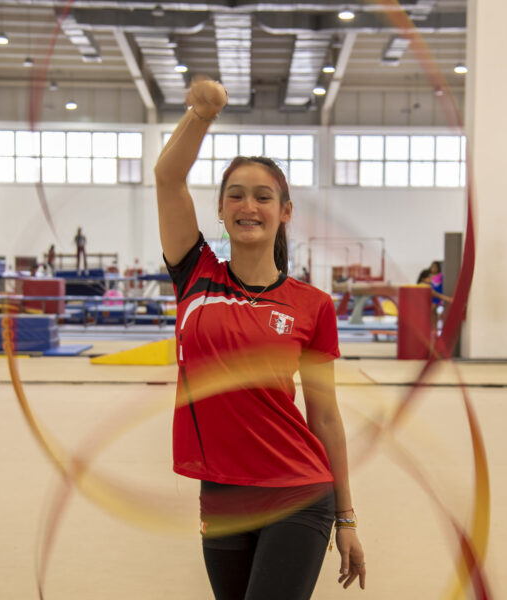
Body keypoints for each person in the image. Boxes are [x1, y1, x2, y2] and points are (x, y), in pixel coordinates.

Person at [154, 75, 366, 599]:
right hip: (222, 494)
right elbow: (167, 177)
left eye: (263, 197)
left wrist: (346, 517)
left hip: (297, 490)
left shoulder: (312, 305)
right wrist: (201, 114)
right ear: (220, 210)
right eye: (236, 196)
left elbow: (325, 417)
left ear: (284, 212)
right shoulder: (196, 274)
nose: (248, 206)